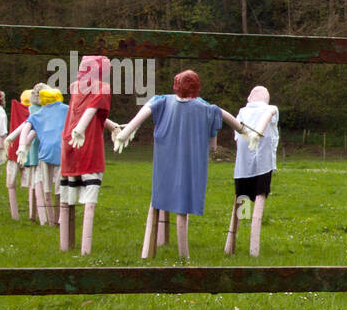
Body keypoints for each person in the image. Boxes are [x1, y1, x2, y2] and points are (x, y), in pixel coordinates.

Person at [114, 69, 260, 259]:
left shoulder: (162, 101)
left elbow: (139, 118)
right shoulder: (204, 107)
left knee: (157, 201)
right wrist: (248, 133)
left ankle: (148, 253)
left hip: (165, 161)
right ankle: (184, 256)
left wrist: (124, 134)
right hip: (189, 165)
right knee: (181, 208)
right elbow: (228, 121)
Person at [59, 56, 121, 254]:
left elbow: (84, 111)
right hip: (87, 143)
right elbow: (91, 110)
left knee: (68, 195)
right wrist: (81, 130)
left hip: (69, 143)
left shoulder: (77, 87)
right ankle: (85, 248)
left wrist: (112, 126)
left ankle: (65, 245)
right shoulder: (101, 87)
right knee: (89, 196)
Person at [226, 85, 280, 257]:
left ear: (250, 98)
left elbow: (236, 128)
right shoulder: (271, 108)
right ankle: (253, 250)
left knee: (241, 200)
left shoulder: (242, 112)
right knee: (258, 198)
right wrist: (257, 134)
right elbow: (267, 115)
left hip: (242, 168)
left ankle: (231, 245)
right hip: (262, 167)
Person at [6, 86, 67, 225]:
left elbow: (26, 129)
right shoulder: (64, 109)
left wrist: (22, 146)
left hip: (44, 153)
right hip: (60, 153)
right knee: (58, 186)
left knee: (46, 186)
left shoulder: (39, 113)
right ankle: (57, 219)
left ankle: (51, 220)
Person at [5, 89, 32, 220]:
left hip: (14, 149)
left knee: (11, 184)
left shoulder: (17, 109)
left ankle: (14, 214)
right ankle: (33, 213)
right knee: (32, 184)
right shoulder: (36, 112)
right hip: (29, 152)